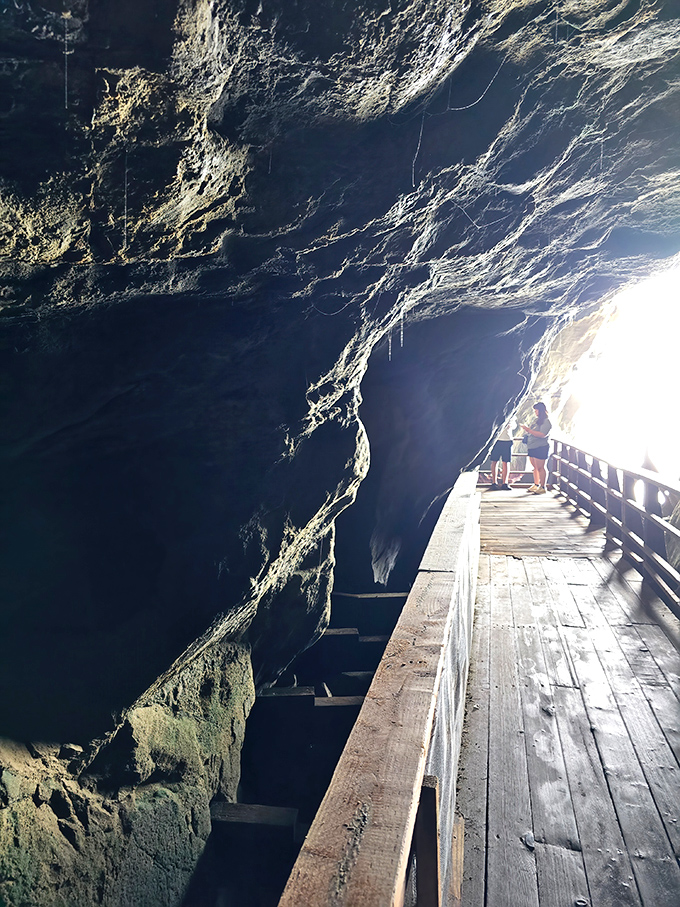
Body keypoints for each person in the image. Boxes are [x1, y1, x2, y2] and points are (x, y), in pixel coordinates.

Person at [520, 402, 552, 494]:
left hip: (540, 447)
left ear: (541, 411)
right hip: (532, 446)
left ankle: (543, 486)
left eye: (536, 410)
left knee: (541, 467)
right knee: (535, 467)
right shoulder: (536, 420)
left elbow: (542, 434)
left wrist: (528, 430)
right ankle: (536, 484)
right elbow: (532, 430)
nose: (535, 412)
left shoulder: (546, 422)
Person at [488, 421, 514, 490]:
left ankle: (505, 483)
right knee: (494, 461)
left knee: (506, 462)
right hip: (497, 440)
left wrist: (510, 425)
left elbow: (514, 425)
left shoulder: (512, 415)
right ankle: (494, 482)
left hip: (508, 440)